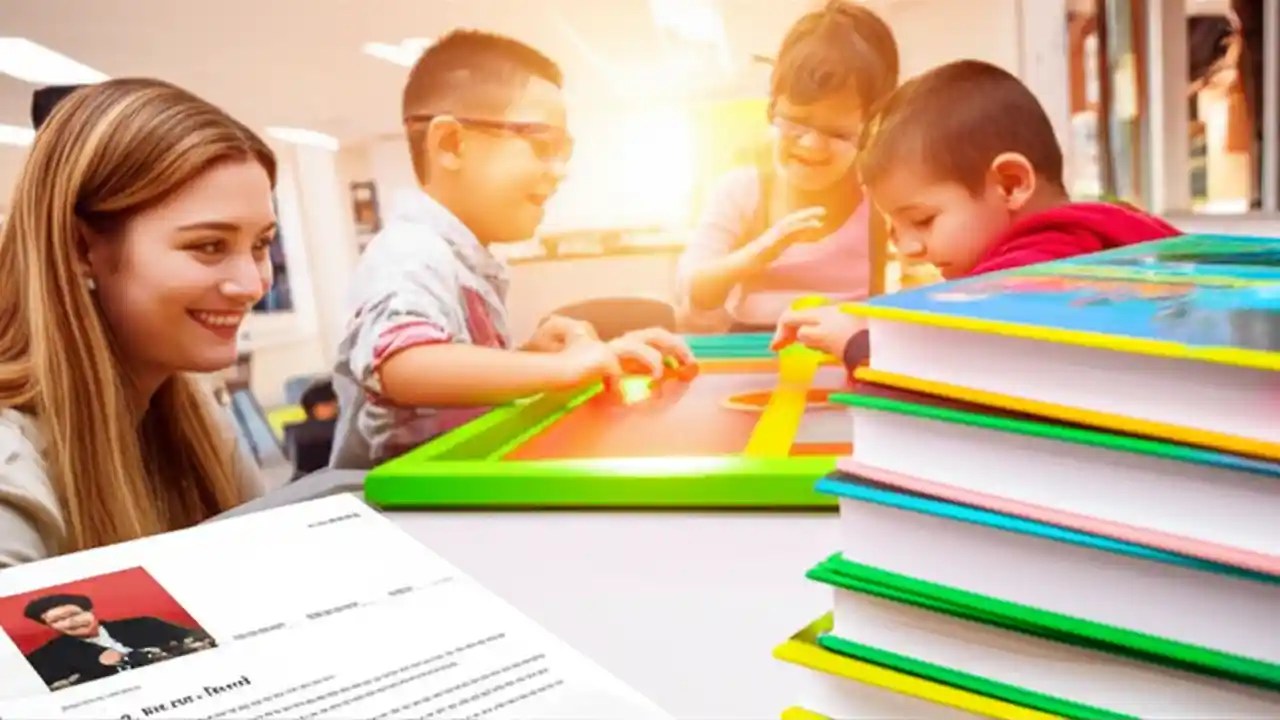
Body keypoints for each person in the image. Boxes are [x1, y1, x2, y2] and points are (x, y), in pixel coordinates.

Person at [330, 30, 695, 469]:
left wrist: (530, 359)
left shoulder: (464, 258)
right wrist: (563, 370)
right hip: (391, 500)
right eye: (543, 146)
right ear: (450, 144)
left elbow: (452, 392)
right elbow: (404, 364)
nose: (559, 171)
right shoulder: (410, 249)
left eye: (564, 152)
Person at [0, 79, 274, 566]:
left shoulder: (198, 415)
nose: (252, 284)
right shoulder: (12, 469)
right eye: (208, 246)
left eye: (260, 244)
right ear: (81, 248)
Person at [773, 60, 1181, 367]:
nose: (908, 248)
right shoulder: (1094, 238)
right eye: (894, 229)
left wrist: (858, 344)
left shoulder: (1031, 274)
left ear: (1010, 184)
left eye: (923, 220)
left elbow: (949, 372)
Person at [674, 0, 899, 332]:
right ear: (773, 107)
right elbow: (693, 291)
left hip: (846, 346)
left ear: (869, 130)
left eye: (838, 133)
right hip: (755, 346)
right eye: (796, 122)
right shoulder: (742, 191)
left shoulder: (878, 196)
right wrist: (760, 252)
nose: (812, 145)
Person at [21, 593, 213, 690]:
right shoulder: (47, 656)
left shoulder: (144, 624)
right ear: (49, 626)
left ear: (90, 611)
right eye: (57, 620)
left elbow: (199, 638)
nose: (71, 622)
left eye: (75, 614)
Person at [284, 379, 338, 479]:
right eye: (327, 404)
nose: (335, 407)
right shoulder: (302, 433)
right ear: (313, 408)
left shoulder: (298, 432)